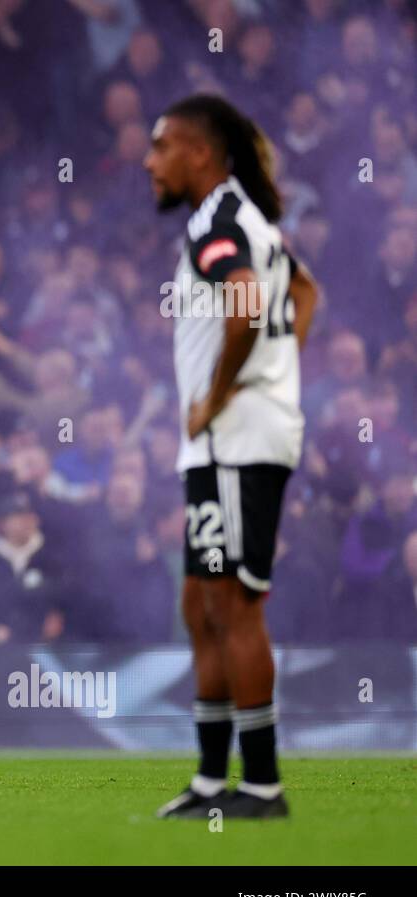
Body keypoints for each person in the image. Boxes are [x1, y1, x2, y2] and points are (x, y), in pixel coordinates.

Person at [144, 95, 317, 819]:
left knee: (237, 607)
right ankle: (214, 779)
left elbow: (245, 305)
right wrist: (277, 374)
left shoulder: (218, 223)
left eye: (161, 147)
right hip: (227, 441)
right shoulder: (255, 223)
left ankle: (264, 785)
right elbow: (305, 293)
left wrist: (223, 394)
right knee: (202, 603)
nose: (150, 163)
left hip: (235, 442)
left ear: (199, 153)